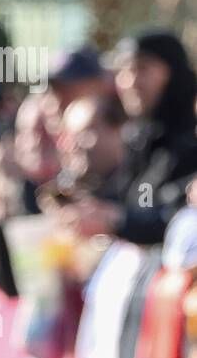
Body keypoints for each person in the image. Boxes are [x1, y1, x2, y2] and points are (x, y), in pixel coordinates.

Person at [60, 31, 197, 244]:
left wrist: (117, 221)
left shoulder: (190, 141)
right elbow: (138, 200)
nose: (130, 81)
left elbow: (182, 217)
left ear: (173, 72)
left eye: (142, 68)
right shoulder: (141, 140)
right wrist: (88, 206)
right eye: (124, 70)